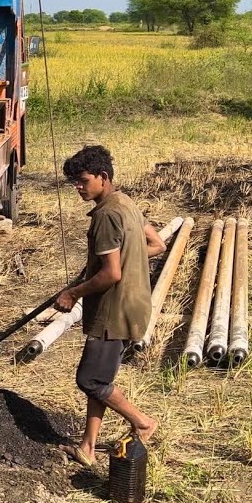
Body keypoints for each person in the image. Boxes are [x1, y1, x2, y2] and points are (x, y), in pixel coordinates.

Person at [54, 146, 164, 467]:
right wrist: (132, 261)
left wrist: (73, 293)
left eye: (83, 180)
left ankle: (143, 422)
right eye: (74, 181)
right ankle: (88, 447)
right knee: (99, 378)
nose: (78, 186)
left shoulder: (105, 215)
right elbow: (157, 244)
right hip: (134, 304)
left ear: (103, 177)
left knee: (90, 380)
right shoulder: (125, 202)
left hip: (112, 312)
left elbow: (111, 274)